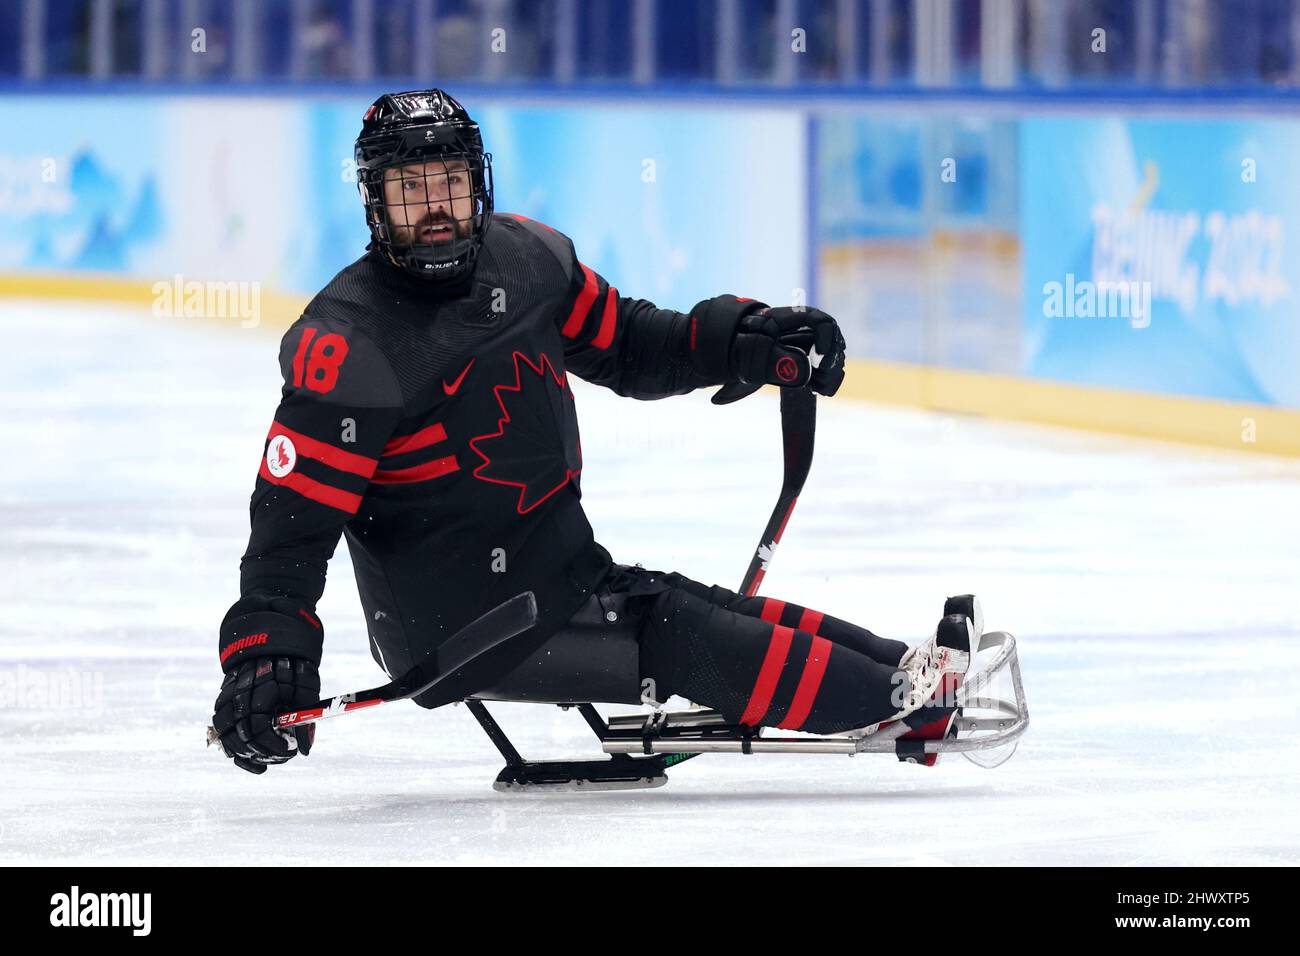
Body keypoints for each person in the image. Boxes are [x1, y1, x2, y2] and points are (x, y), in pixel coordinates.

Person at [211, 89, 978, 775]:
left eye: (449, 181)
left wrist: (744, 339)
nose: (435, 204)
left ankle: (906, 668)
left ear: (478, 182)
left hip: (562, 575)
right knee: (676, 632)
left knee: (695, 607)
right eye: (411, 190)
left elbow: (633, 344)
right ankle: (897, 699)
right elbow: (290, 527)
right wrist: (265, 655)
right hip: (460, 630)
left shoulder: (528, 259)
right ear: (375, 203)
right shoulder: (348, 344)